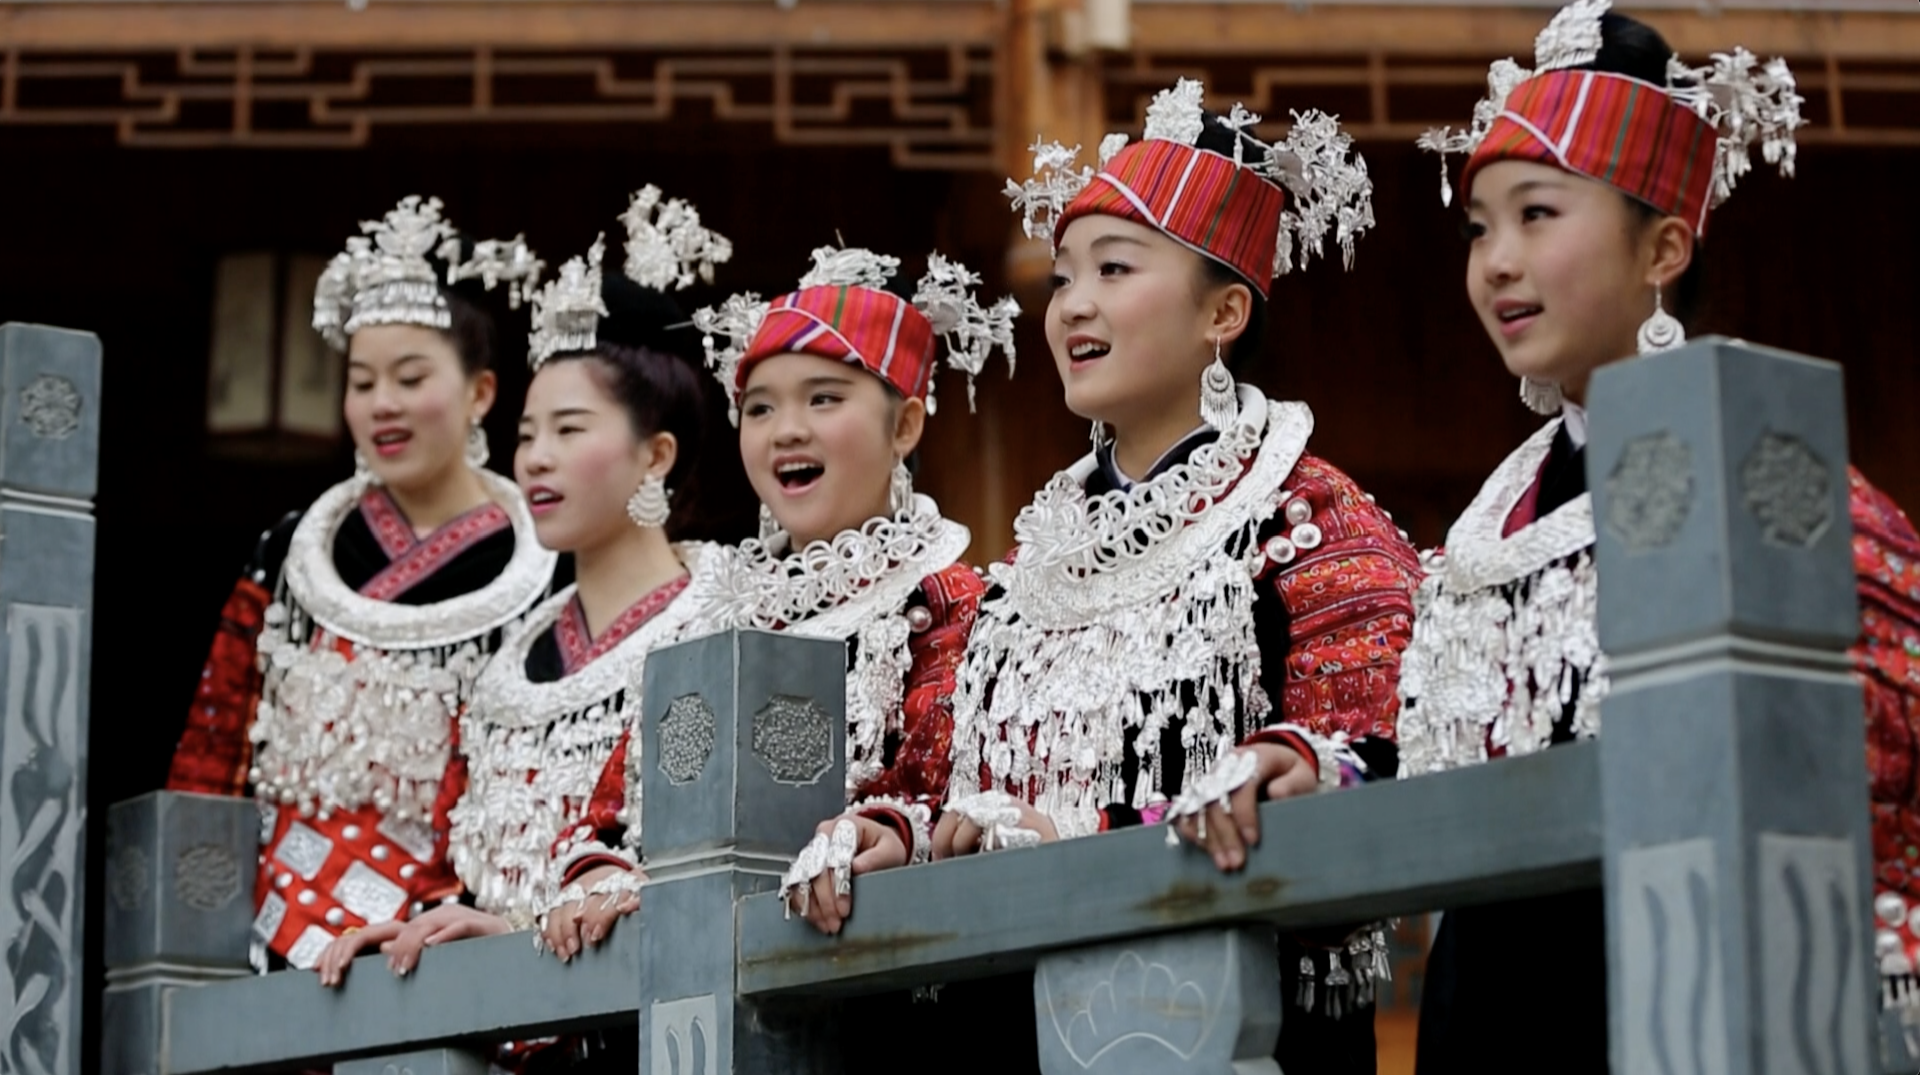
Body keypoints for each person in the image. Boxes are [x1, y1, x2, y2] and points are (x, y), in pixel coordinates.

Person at [1401, 2, 1920, 1065]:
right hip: (1489, 1012)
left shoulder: (1777, 477)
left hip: (1690, 999)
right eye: (1478, 226)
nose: (1496, 260)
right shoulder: (1490, 519)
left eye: (1537, 214)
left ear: (1666, 246)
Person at [941, 78, 1424, 1071]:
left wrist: (1283, 765)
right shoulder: (1025, 565)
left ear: (1226, 311)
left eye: (1114, 269)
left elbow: (1383, 742)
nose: (1073, 303)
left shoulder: (1312, 519)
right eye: (1064, 276)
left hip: (1232, 1022)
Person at [311, 187, 734, 1017]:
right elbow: (454, 873)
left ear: (656, 455)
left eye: (570, 430)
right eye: (529, 432)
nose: (536, 457)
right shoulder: (513, 658)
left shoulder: (726, 618)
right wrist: (417, 927)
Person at [166, 196, 555, 972]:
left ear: (480, 392)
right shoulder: (289, 548)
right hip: (268, 929)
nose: (382, 403)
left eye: (411, 377)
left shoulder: (544, 558)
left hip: (448, 930)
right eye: (361, 380)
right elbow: (212, 752)